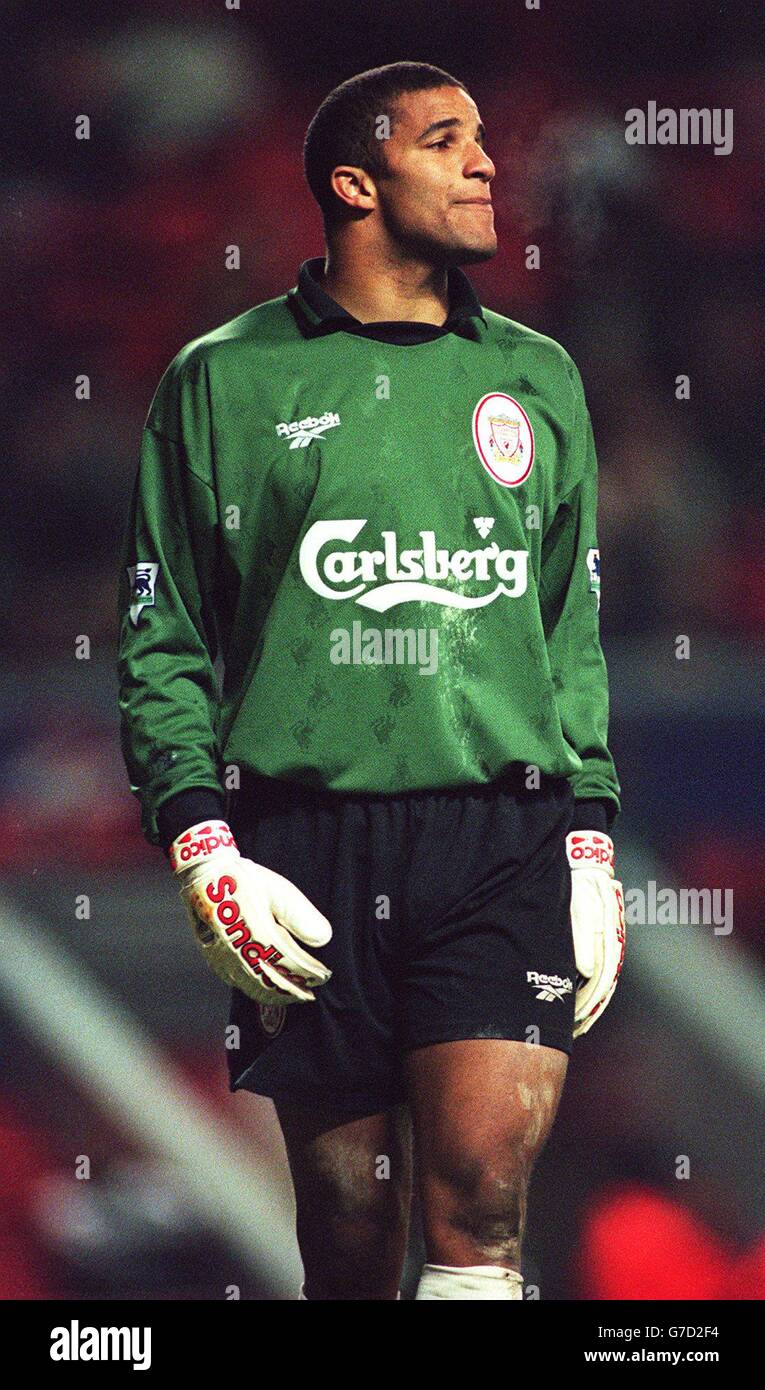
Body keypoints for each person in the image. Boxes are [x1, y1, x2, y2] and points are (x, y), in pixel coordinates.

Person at [117, 61, 625, 1301]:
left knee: (480, 1207)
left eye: (484, 139)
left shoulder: (538, 378)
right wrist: (201, 843)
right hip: (305, 840)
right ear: (355, 180)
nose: (486, 163)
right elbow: (164, 639)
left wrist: (589, 840)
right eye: (446, 140)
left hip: (498, 835)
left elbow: (570, 633)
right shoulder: (222, 381)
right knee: (349, 1226)